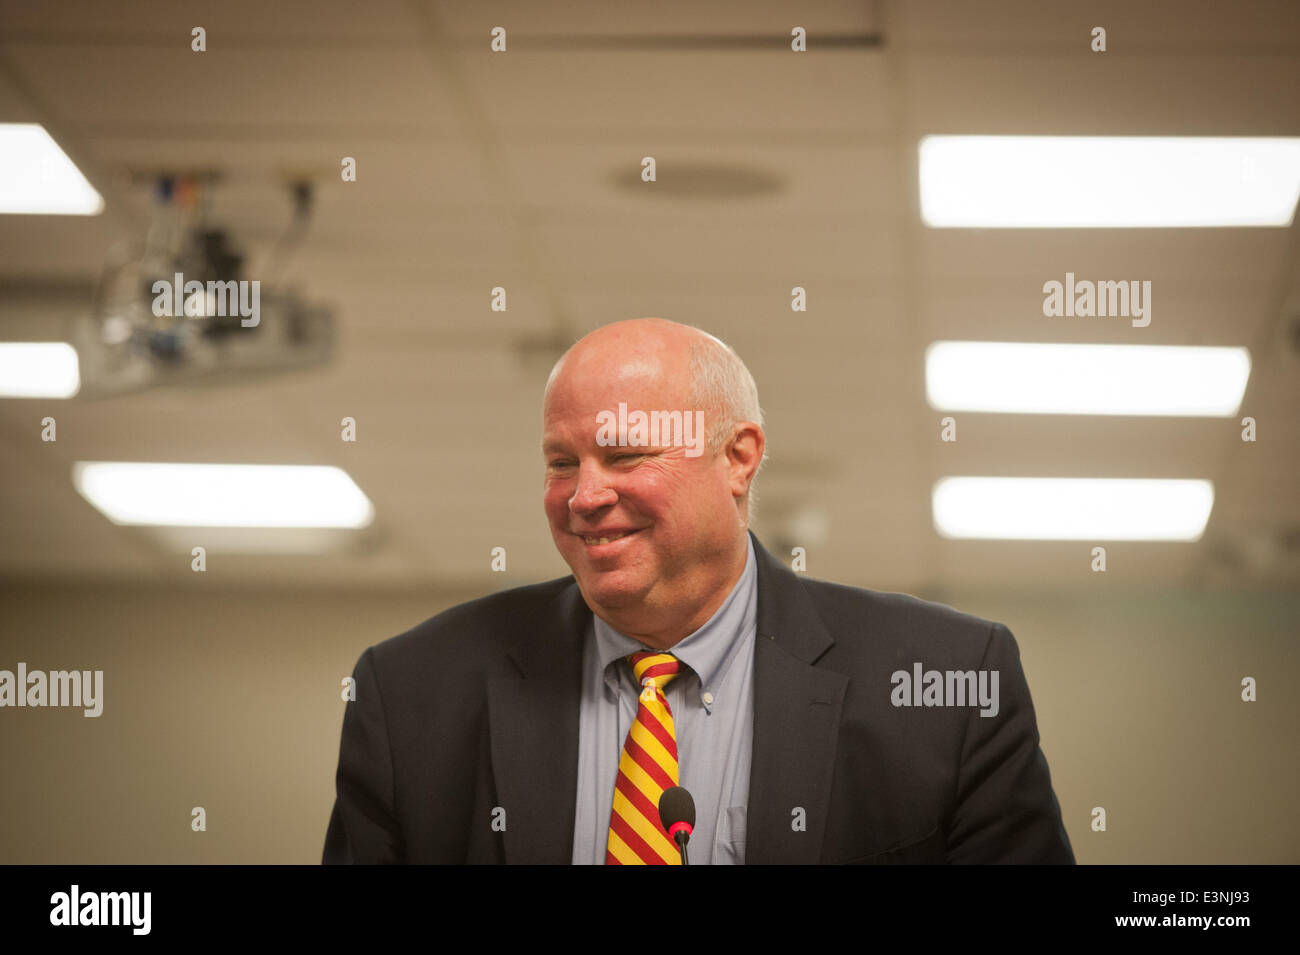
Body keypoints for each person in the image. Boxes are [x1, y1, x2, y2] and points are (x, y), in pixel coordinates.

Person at [323, 318, 1074, 864]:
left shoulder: (946, 682)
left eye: (625, 454)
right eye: (561, 462)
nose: (584, 496)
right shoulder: (413, 692)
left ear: (738, 458)